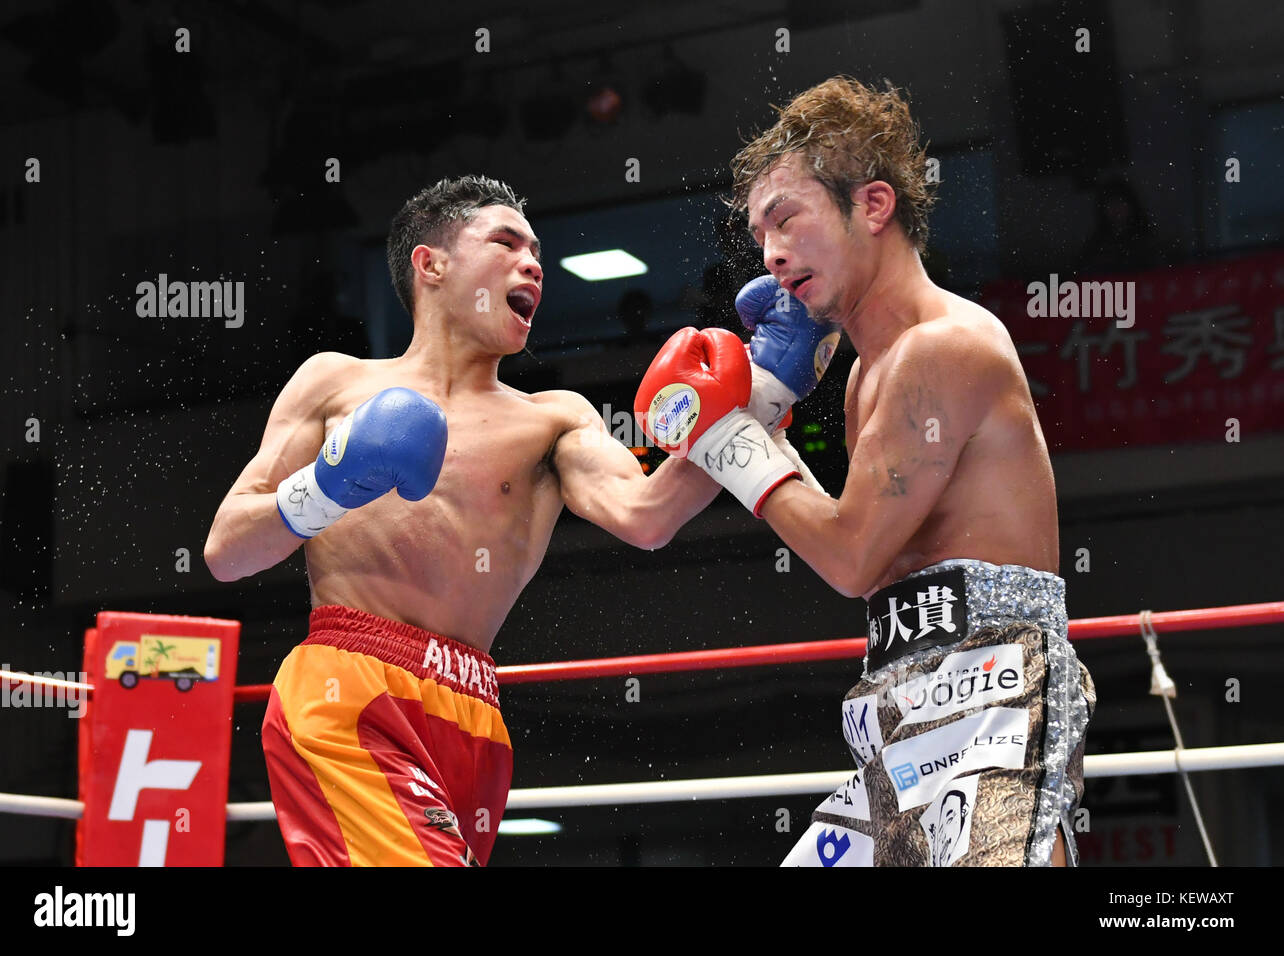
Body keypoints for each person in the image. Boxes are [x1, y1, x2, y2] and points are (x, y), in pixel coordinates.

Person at [202, 175, 832, 866]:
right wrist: (327, 484)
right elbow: (227, 551)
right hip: (348, 688)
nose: (532, 263)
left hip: (473, 713)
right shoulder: (335, 382)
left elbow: (648, 516)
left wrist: (767, 387)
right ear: (431, 264)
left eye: (537, 251)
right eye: (505, 242)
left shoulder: (554, 418)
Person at [635, 77, 1095, 867]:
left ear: (873, 206)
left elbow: (850, 556)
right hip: (897, 704)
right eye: (759, 236)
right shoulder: (858, 375)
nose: (772, 254)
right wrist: (759, 410)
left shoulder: (944, 349)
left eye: (788, 220)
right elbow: (862, 546)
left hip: (994, 699)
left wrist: (730, 437)